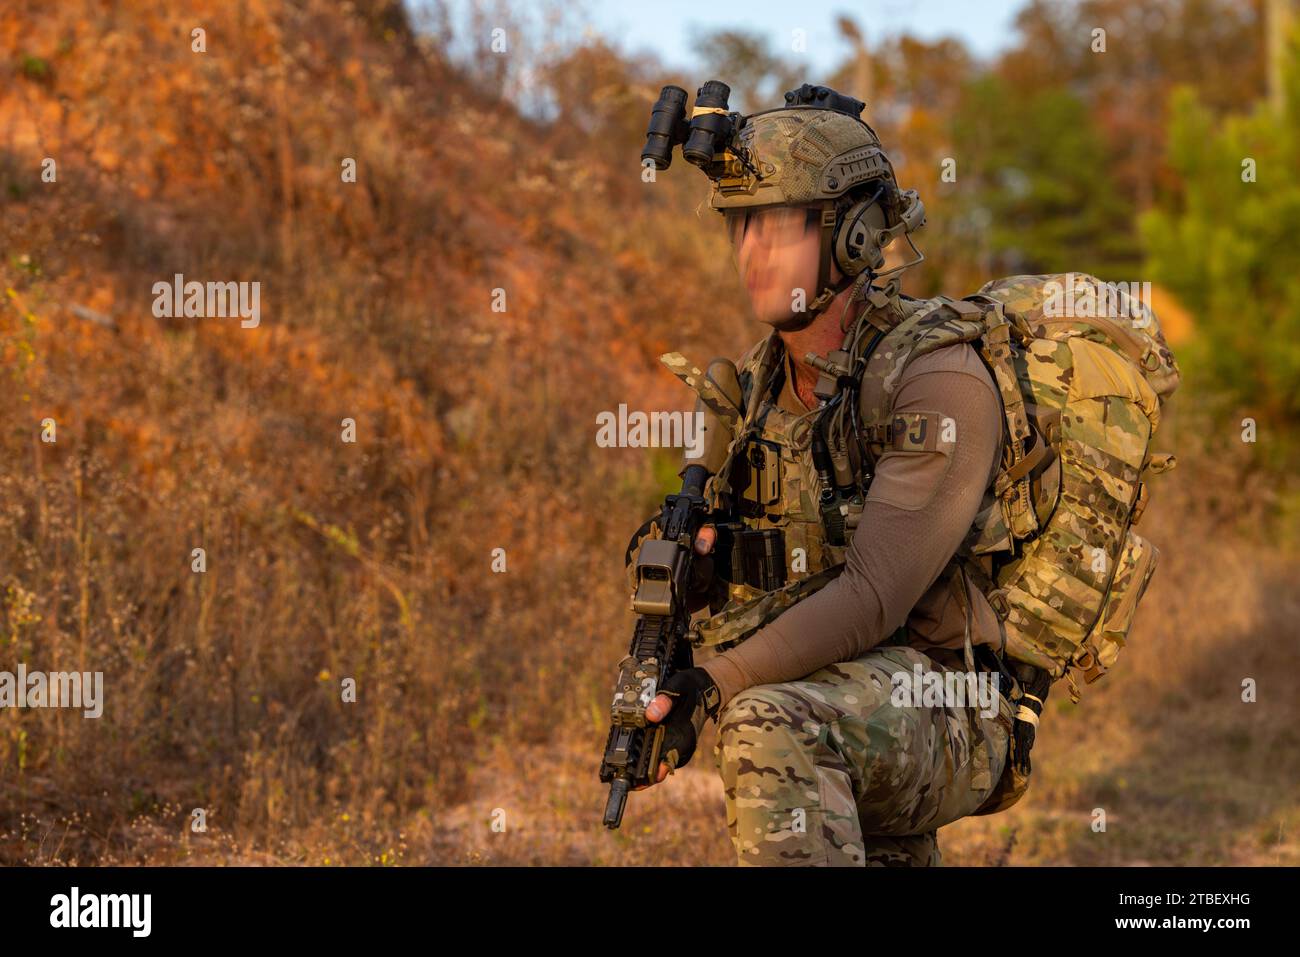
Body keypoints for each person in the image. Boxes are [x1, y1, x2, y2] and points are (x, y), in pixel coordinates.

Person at [638, 84, 1018, 866]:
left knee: (765, 723)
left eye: (778, 225)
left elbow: (875, 594)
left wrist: (716, 680)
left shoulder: (937, 376)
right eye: (741, 226)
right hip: (848, 683)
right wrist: (707, 567)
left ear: (852, 236)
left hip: (953, 702)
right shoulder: (754, 386)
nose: (751, 251)